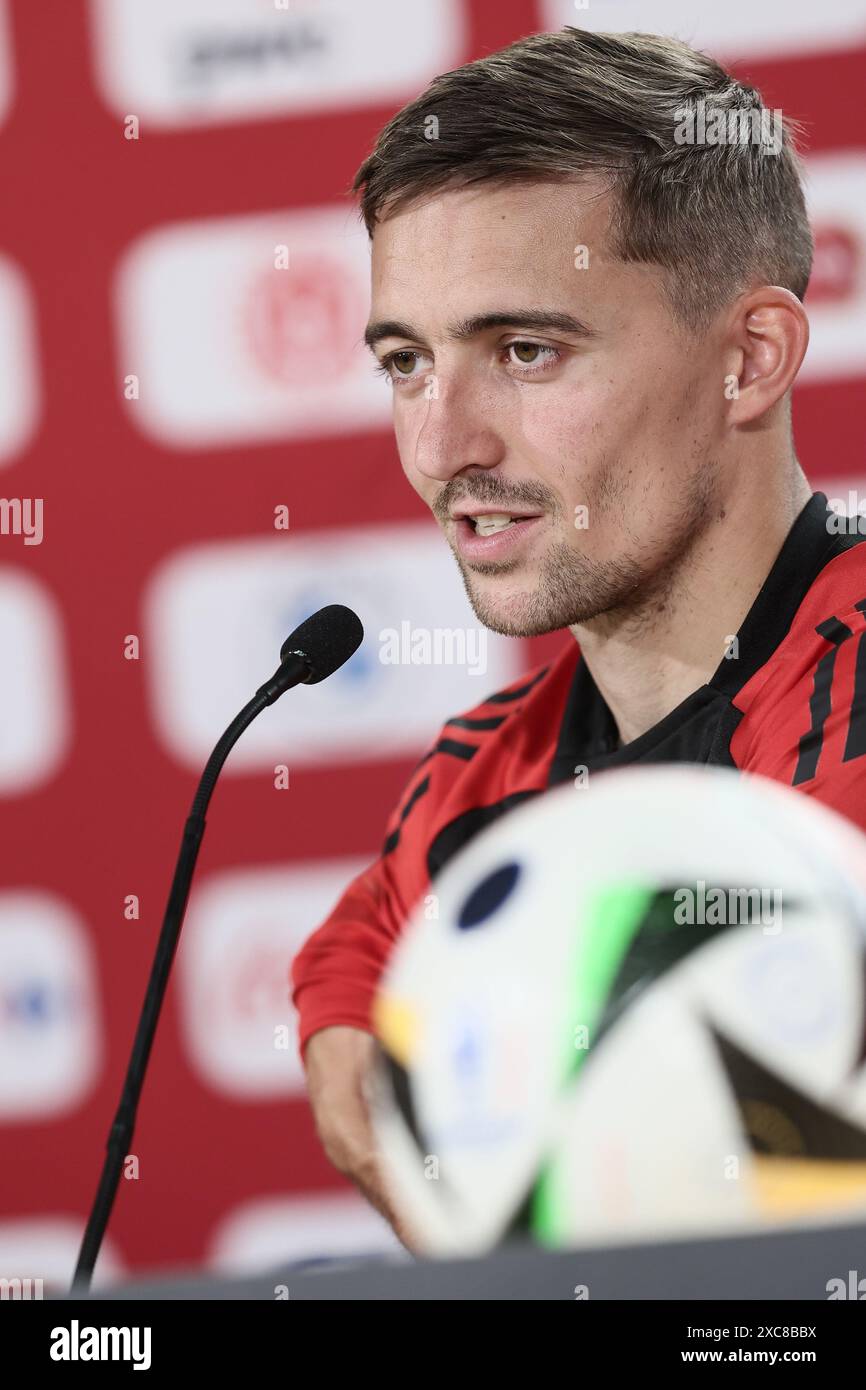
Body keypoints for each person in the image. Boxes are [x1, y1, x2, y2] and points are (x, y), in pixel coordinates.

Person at [290, 27, 866, 1242]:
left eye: (524, 351)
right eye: (406, 361)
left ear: (749, 357)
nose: (445, 447)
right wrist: (341, 1020)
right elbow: (353, 948)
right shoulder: (476, 777)